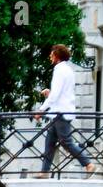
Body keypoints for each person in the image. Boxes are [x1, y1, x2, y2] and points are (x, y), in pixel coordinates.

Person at [33, 44, 95, 177]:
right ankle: (44, 171)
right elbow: (61, 93)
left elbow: (57, 95)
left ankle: (88, 164)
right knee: (50, 142)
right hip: (59, 112)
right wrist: (50, 93)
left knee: (66, 142)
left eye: (51, 54)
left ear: (56, 56)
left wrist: (41, 110)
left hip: (60, 113)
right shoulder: (68, 70)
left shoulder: (59, 70)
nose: (50, 56)